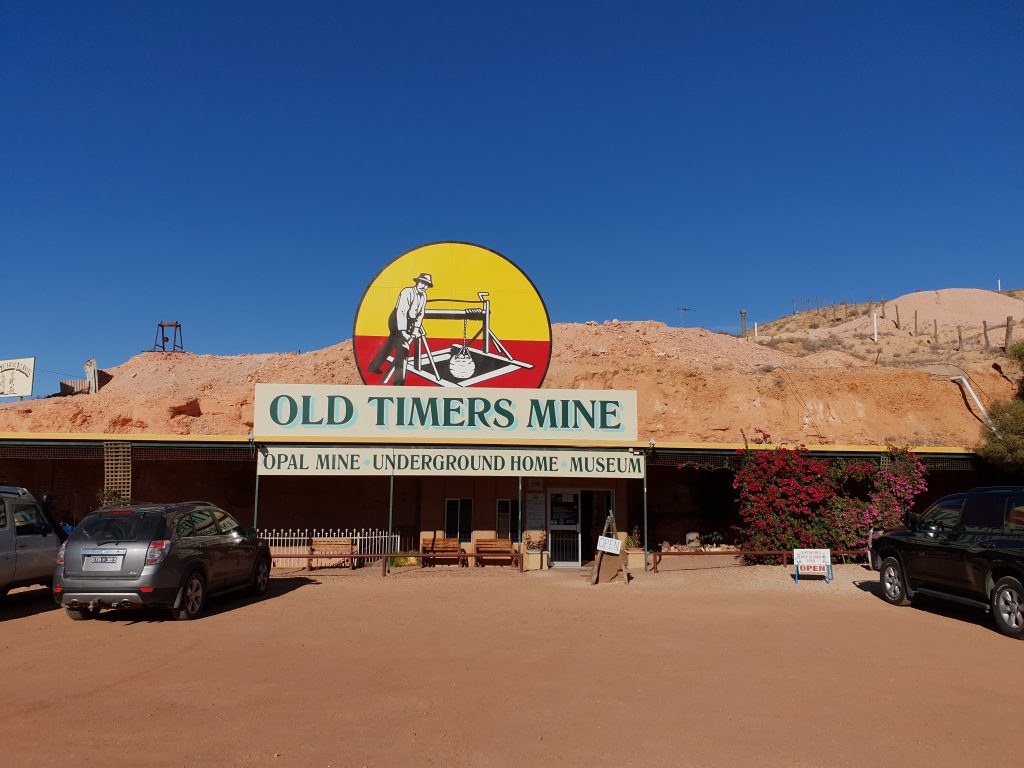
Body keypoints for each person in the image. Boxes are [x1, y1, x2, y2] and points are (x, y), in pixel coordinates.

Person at [368, 272, 432, 385]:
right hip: (397, 320)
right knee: (403, 348)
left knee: (390, 343)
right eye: (422, 282)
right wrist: (403, 332)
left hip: (409, 322)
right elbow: (401, 312)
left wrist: (416, 328)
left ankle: (373, 367)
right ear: (417, 282)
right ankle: (399, 382)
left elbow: (420, 314)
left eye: (426, 284)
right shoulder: (407, 292)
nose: (423, 286)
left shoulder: (424, 296)